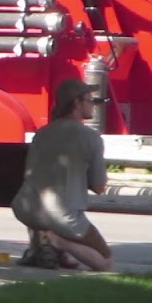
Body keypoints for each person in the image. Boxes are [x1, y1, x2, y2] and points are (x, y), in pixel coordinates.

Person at [11, 78, 113, 271]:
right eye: (89, 99)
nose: (93, 104)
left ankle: (40, 249)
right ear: (76, 102)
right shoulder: (91, 137)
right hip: (64, 216)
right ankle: (58, 243)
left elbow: (30, 175)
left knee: (41, 210)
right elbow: (99, 187)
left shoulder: (41, 133)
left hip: (26, 209)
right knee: (104, 261)